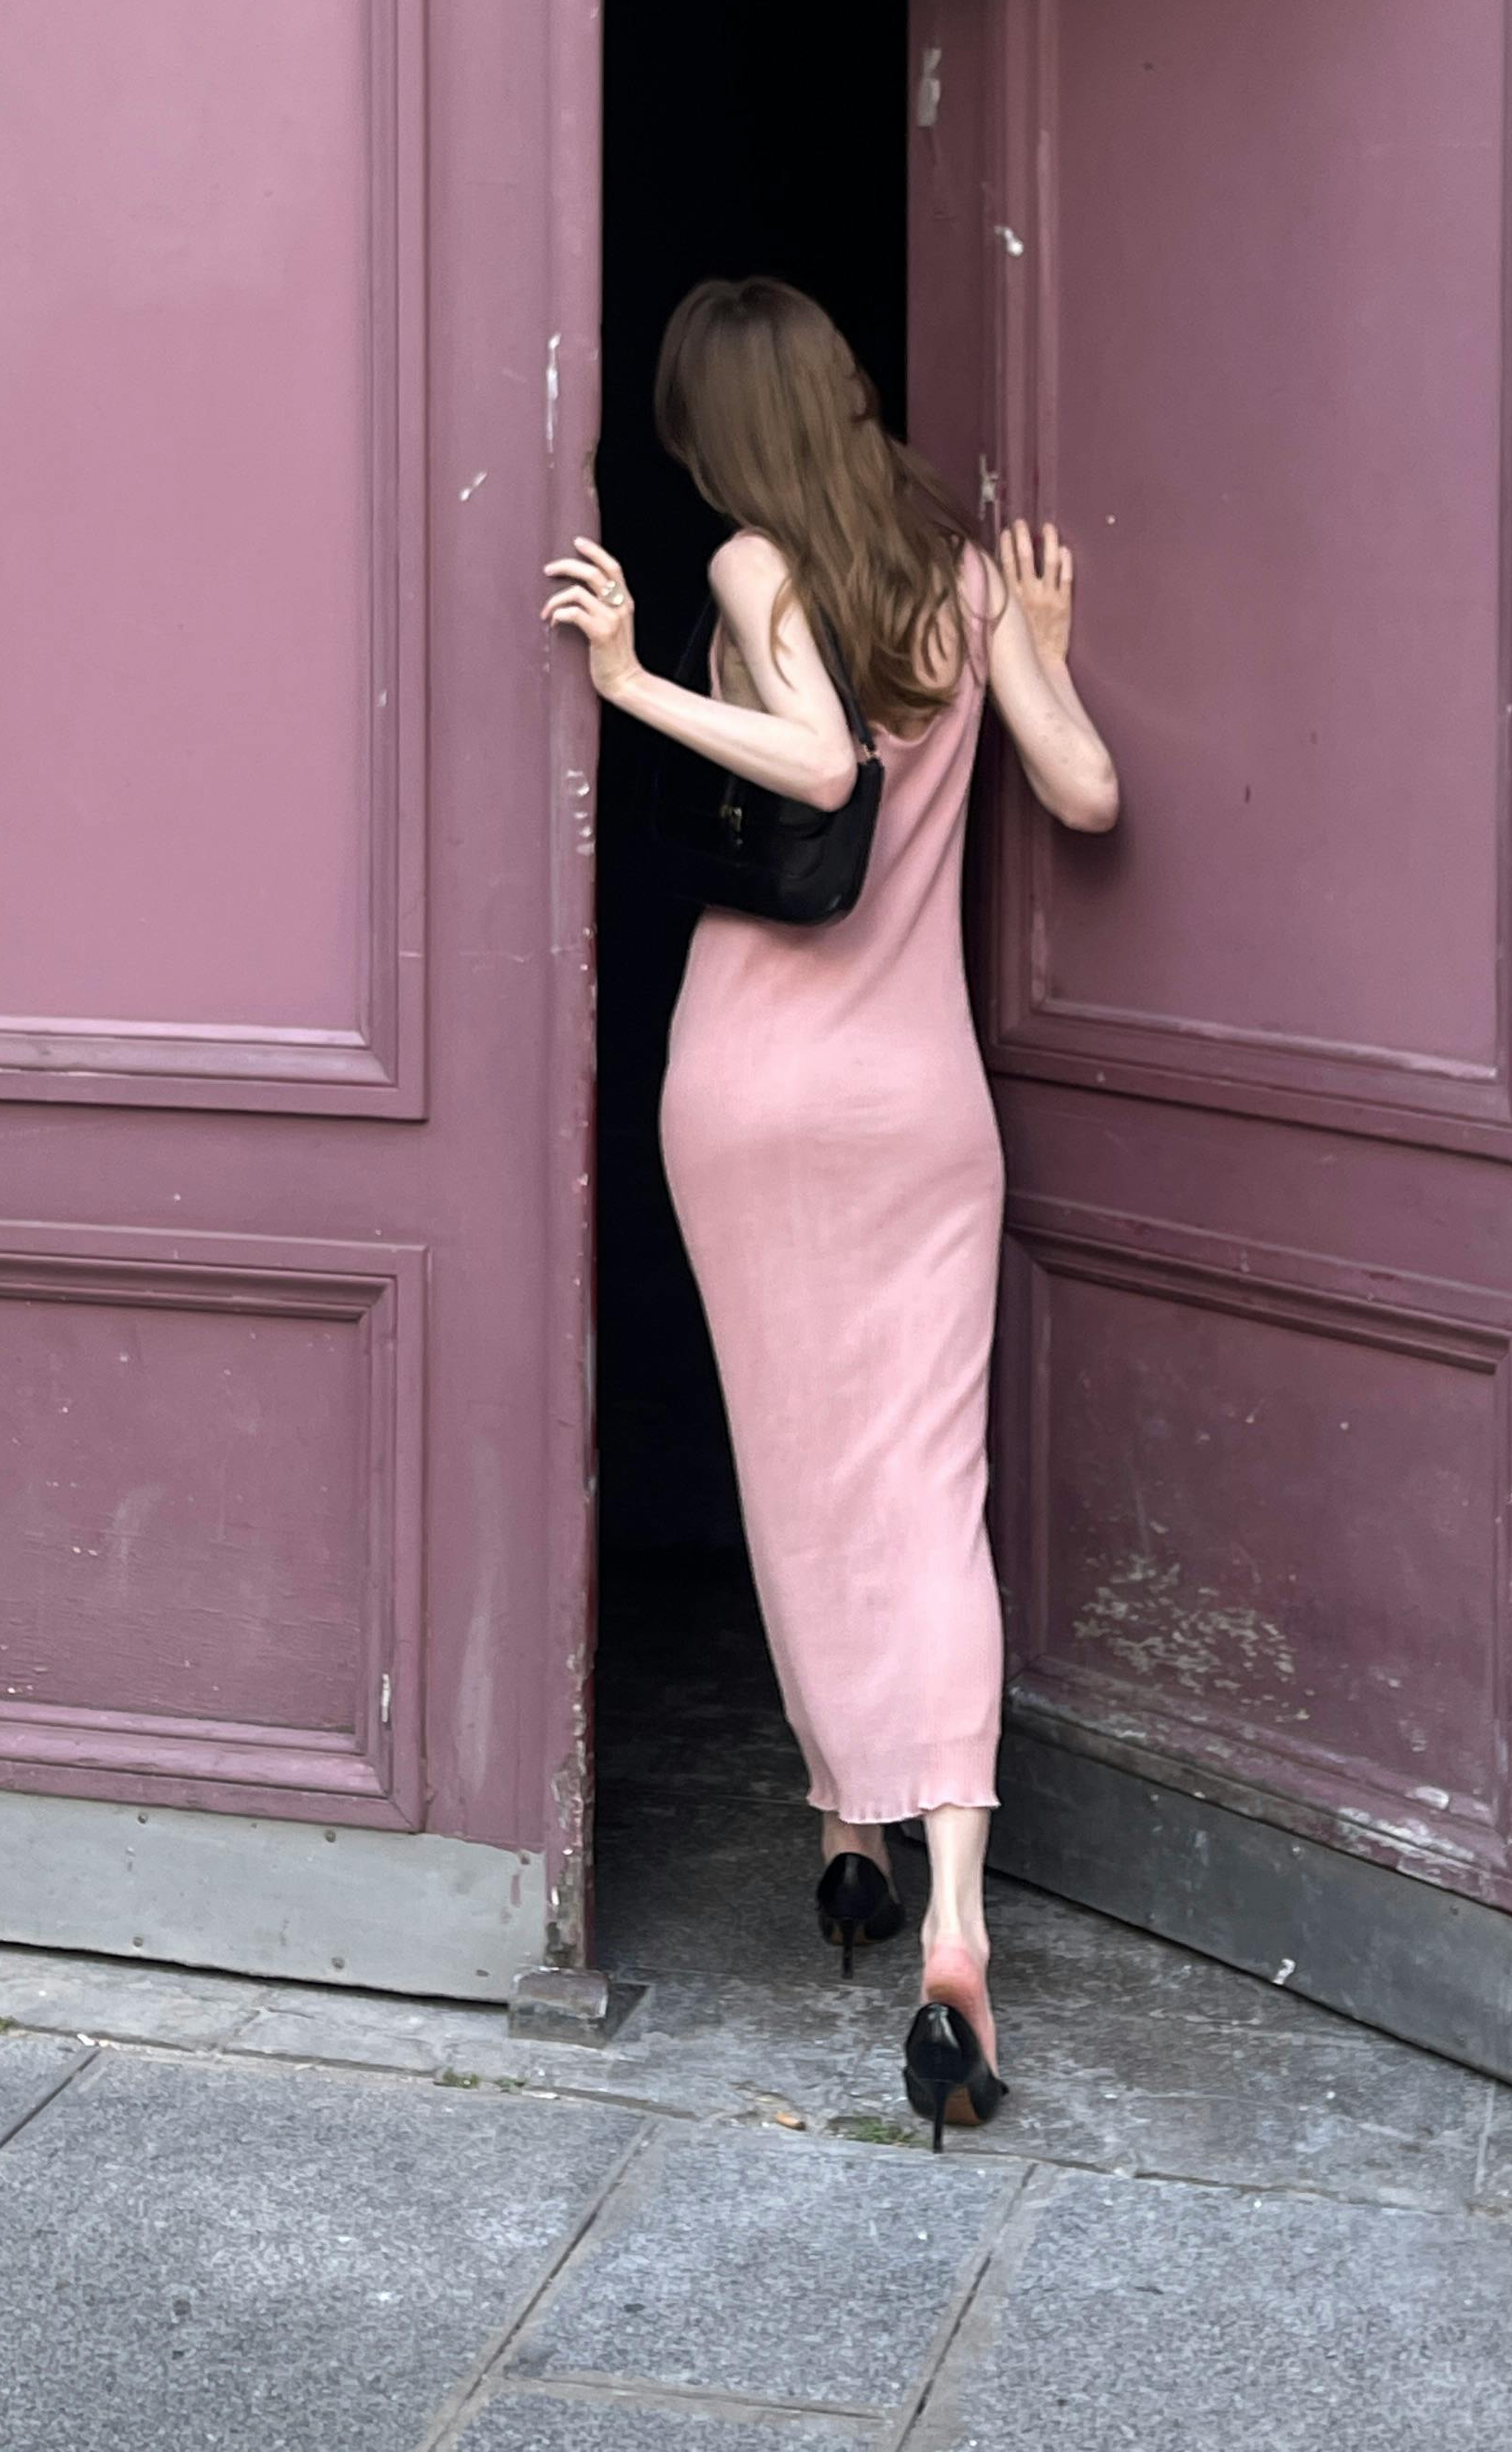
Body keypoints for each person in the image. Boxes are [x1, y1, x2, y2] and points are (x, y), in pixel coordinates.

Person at [543, 275, 1120, 2142]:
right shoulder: (957, 573)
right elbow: (1091, 796)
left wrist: (629, 686)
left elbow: (811, 765)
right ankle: (943, 1901)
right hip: (924, 1101)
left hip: (762, 1087)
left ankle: (839, 1817)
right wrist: (1038, 638)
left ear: (719, 428)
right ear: (847, 397)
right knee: (924, 1480)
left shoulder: (744, 569)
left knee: (804, 1474)